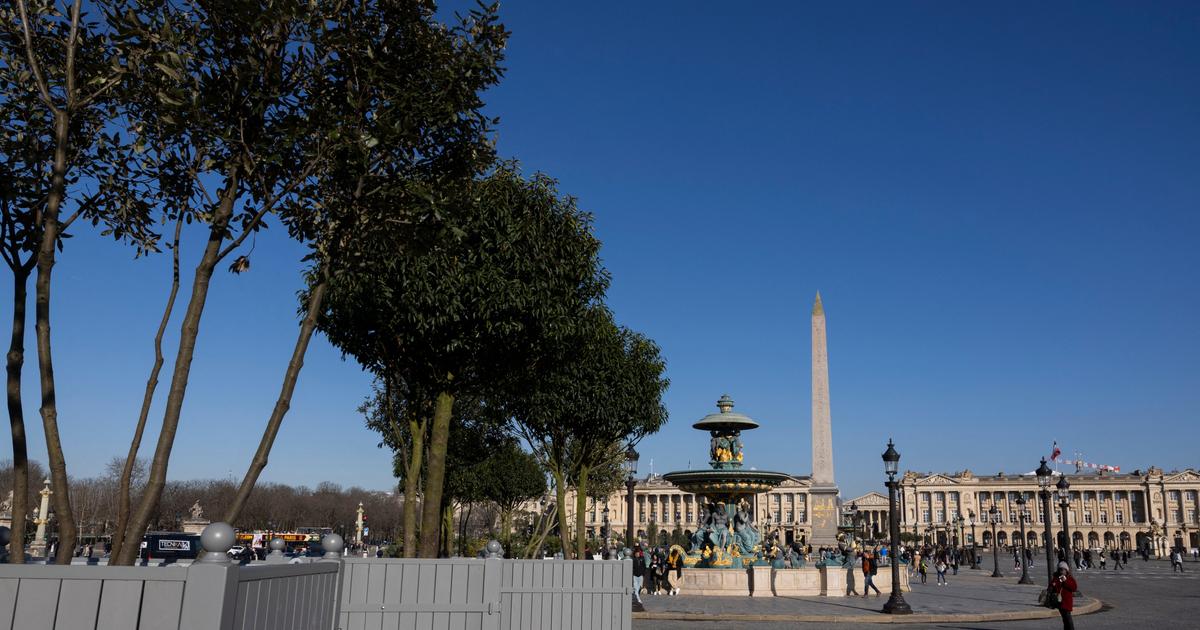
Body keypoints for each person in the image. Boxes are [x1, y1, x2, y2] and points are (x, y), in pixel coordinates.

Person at [1050, 562, 1078, 630]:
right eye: (1060, 569)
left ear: (1066, 570)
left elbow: (1074, 588)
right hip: (1059, 601)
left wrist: (1065, 581)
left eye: (1063, 570)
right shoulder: (1056, 578)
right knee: (1065, 619)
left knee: (1068, 619)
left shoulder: (1069, 578)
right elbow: (1052, 586)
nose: (1062, 571)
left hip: (1067, 601)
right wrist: (1054, 585)